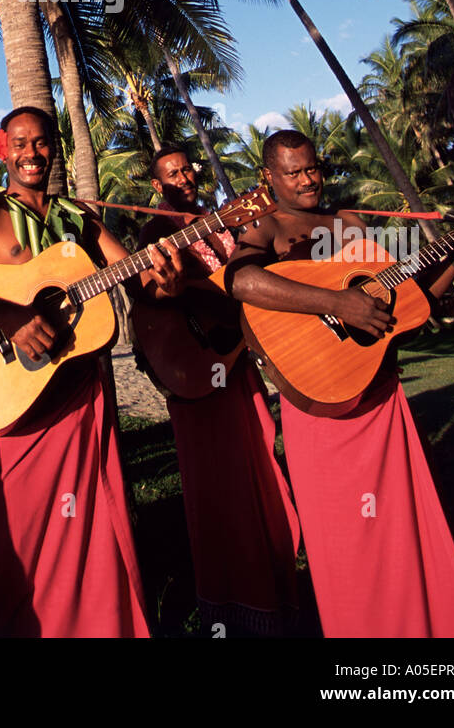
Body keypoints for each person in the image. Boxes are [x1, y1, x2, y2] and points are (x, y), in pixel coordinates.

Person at [222, 129, 454, 639]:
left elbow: (410, 305)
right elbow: (241, 281)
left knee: (403, 530)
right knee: (346, 540)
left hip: (380, 397)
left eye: (312, 168)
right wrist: (336, 302)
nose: (307, 180)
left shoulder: (347, 223)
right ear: (268, 177)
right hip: (318, 406)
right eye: (293, 172)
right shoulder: (266, 225)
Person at [0, 106, 182, 638]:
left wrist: (166, 275)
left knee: (91, 537)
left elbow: (139, 284)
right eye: (20, 143)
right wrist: (9, 314)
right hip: (12, 398)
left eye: (42, 142)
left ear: (55, 148)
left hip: (75, 396)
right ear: (2, 149)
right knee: (10, 545)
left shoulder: (81, 219)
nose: (32, 154)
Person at [133, 146, 300, 636]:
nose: (184, 177)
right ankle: (232, 599)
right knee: (218, 480)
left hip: (235, 354)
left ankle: (272, 593)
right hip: (196, 364)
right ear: (157, 186)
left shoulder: (222, 220)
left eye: (187, 168)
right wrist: (213, 289)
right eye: (172, 174)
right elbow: (156, 292)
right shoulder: (154, 232)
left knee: (259, 461)